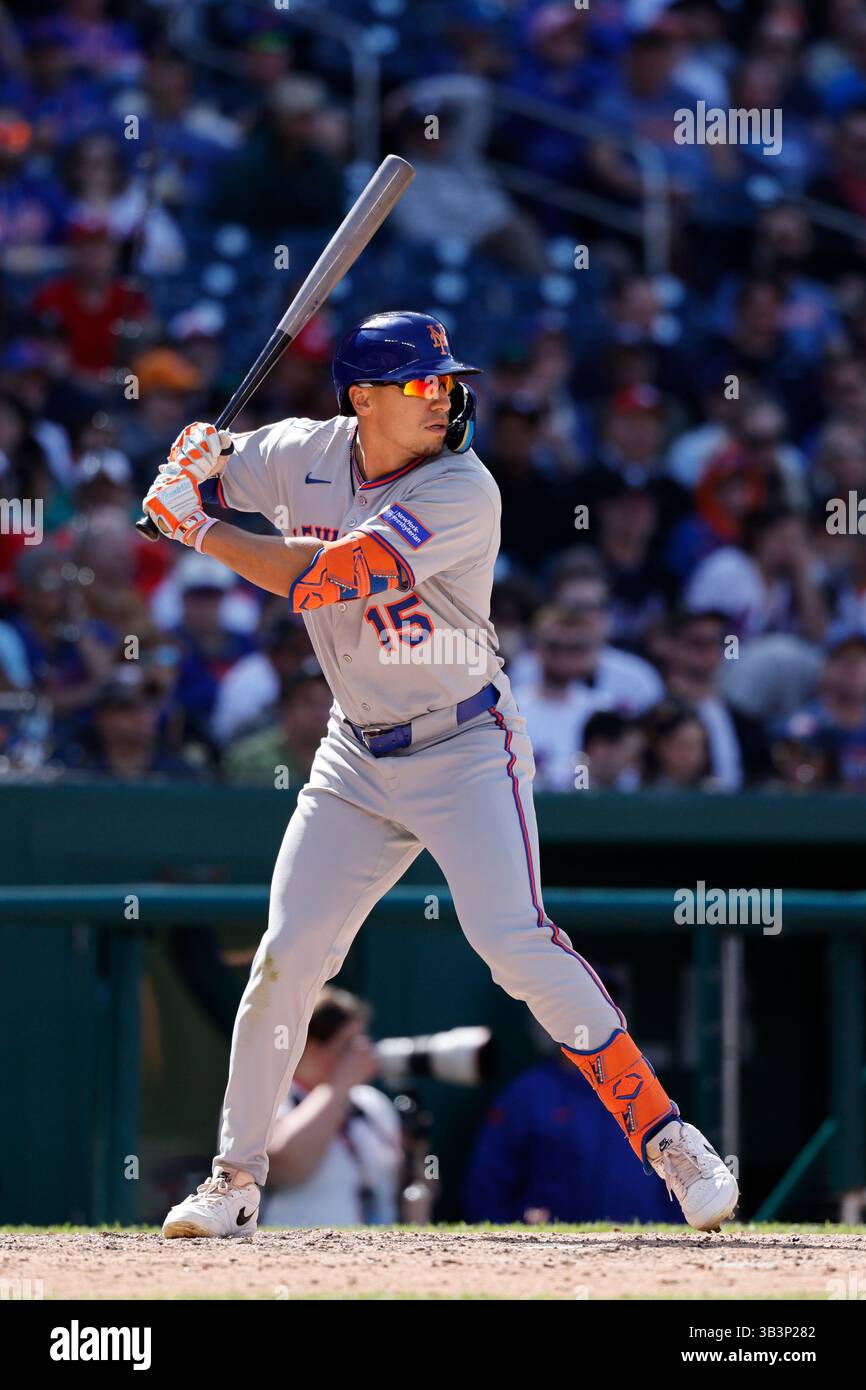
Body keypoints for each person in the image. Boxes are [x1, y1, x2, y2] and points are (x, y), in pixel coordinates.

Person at [147, 310, 738, 1239]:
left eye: (448, 380)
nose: (446, 396)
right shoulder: (300, 453)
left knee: (514, 942)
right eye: (423, 383)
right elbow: (216, 462)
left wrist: (200, 530)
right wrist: (193, 462)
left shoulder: (465, 486)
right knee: (288, 955)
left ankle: (669, 1140)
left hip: (465, 743)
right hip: (354, 749)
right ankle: (234, 1179)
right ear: (364, 399)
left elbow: (328, 577)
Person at [260, 988, 403, 1228]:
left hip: (376, 1258)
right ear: (310, 1046)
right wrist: (338, 1086)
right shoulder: (264, 1098)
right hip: (292, 1257)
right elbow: (283, 1166)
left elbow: (394, 1185)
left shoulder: (373, 1104)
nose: (360, 1054)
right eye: (347, 1045)